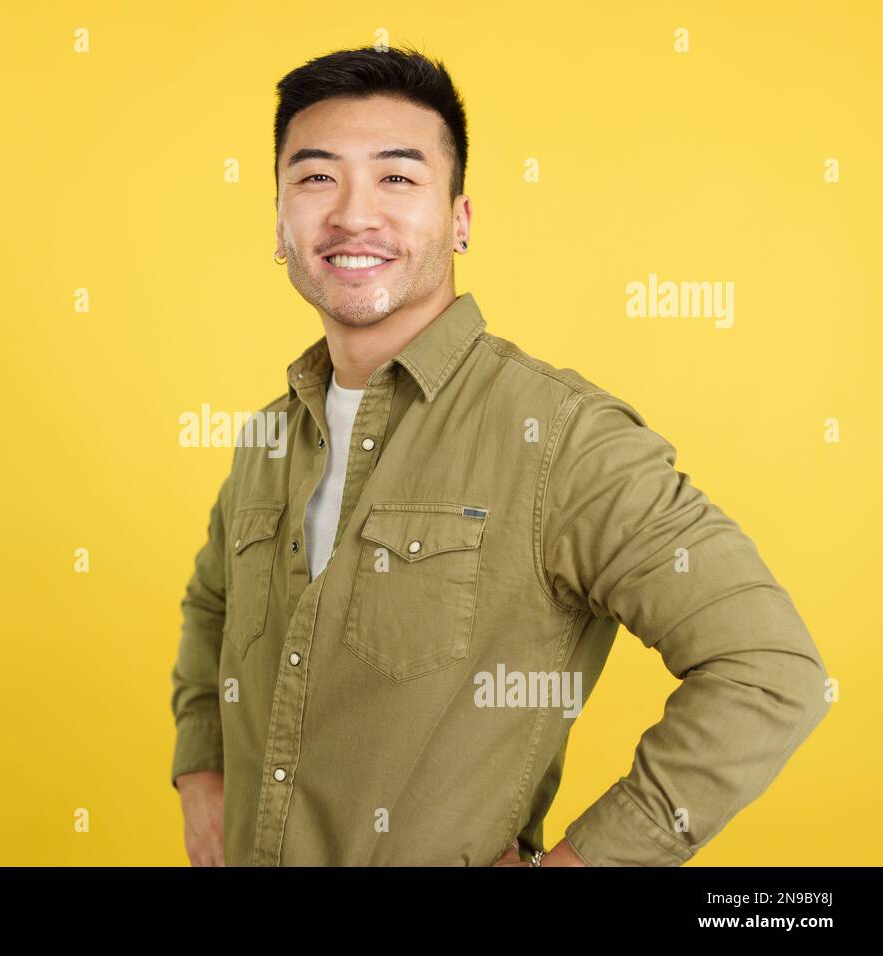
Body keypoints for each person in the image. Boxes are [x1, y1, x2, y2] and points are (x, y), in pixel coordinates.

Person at [169, 45, 830, 867]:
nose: (351, 214)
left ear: (461, 220)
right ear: (279, 224)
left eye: (398, 178)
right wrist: (201, 771)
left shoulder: (561, 438)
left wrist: (587, 863)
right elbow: (212, 605)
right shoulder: (268, 436)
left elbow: (770, 670)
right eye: (315, 178)